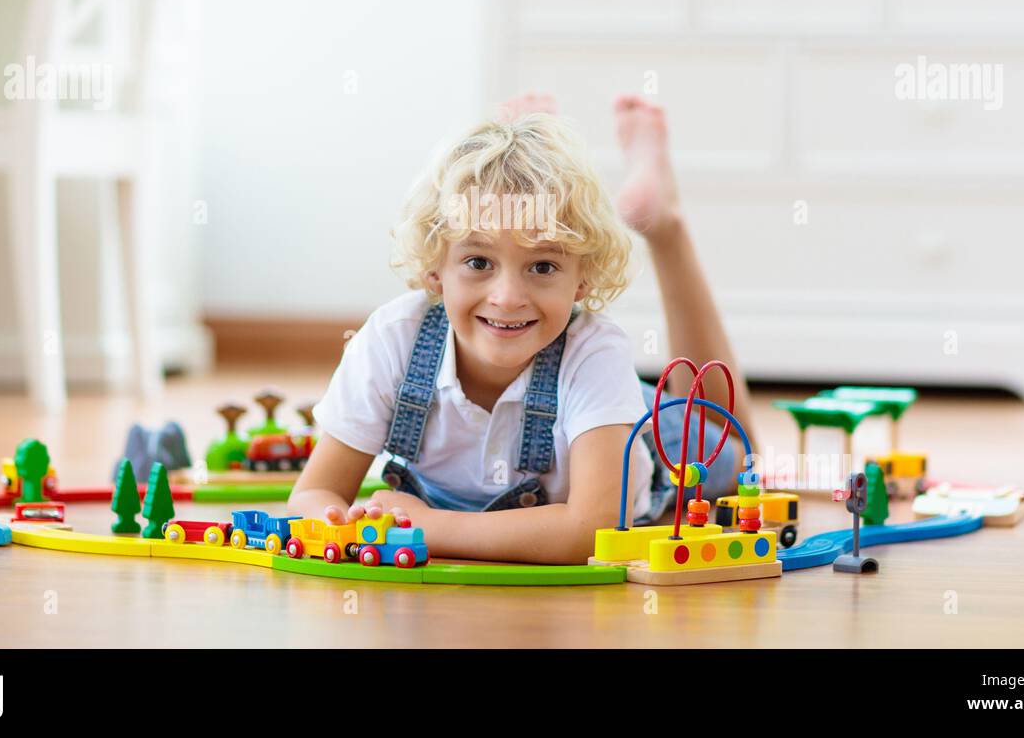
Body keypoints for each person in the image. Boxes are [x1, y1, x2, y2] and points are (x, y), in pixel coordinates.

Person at [286, 95, 753, 564]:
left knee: (740, 455)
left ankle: (664, 223)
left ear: (583, 277)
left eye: (543, 264)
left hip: (647, 432)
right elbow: (315, 495)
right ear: (434, 268)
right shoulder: (393, 338)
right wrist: (338, 524)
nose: (507, 297)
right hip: (578, 405)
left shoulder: (595, 351)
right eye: (478, 261)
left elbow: (591, 532)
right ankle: (535, 147)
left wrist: (430, 528)